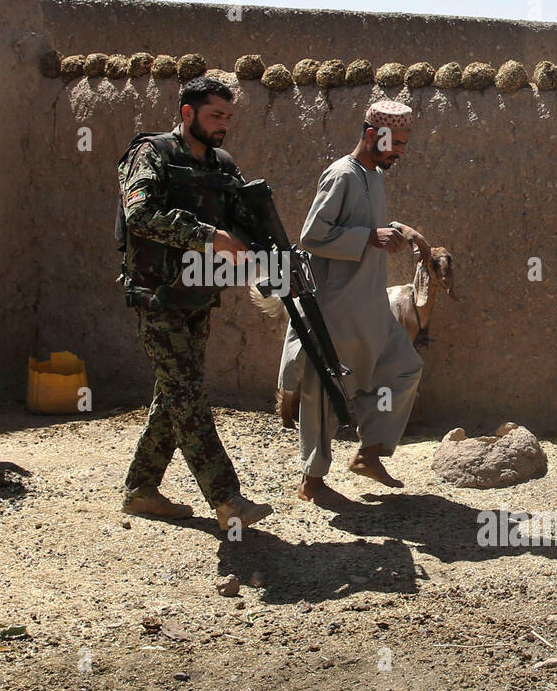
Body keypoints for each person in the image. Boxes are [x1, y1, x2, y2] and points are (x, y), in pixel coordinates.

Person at [117, 76, 274, 530]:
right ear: (187, 113)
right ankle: (228, 501)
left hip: (199, 296)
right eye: (214, 116)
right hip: (157, 295)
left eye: (227, 116)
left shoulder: (223, 165)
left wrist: (268, 252)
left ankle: (142, 490)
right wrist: (210, 237)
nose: (223, 125)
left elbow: (245, 217)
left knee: (173, 394)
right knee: (187, 395)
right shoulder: (152, 154)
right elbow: (140, 215)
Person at [284, 99, 431, 502]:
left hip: (370, 304)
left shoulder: (375, 176)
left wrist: (400, 231)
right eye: (394, 142)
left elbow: (370, 226)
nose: (401, 150)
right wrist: (370, 237)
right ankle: (311, 481)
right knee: (323, 390)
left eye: (405, 142)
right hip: (335, 306)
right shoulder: (342, 175)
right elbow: (313, 235)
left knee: (404, 367)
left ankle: (370, 452)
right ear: (371, 135)